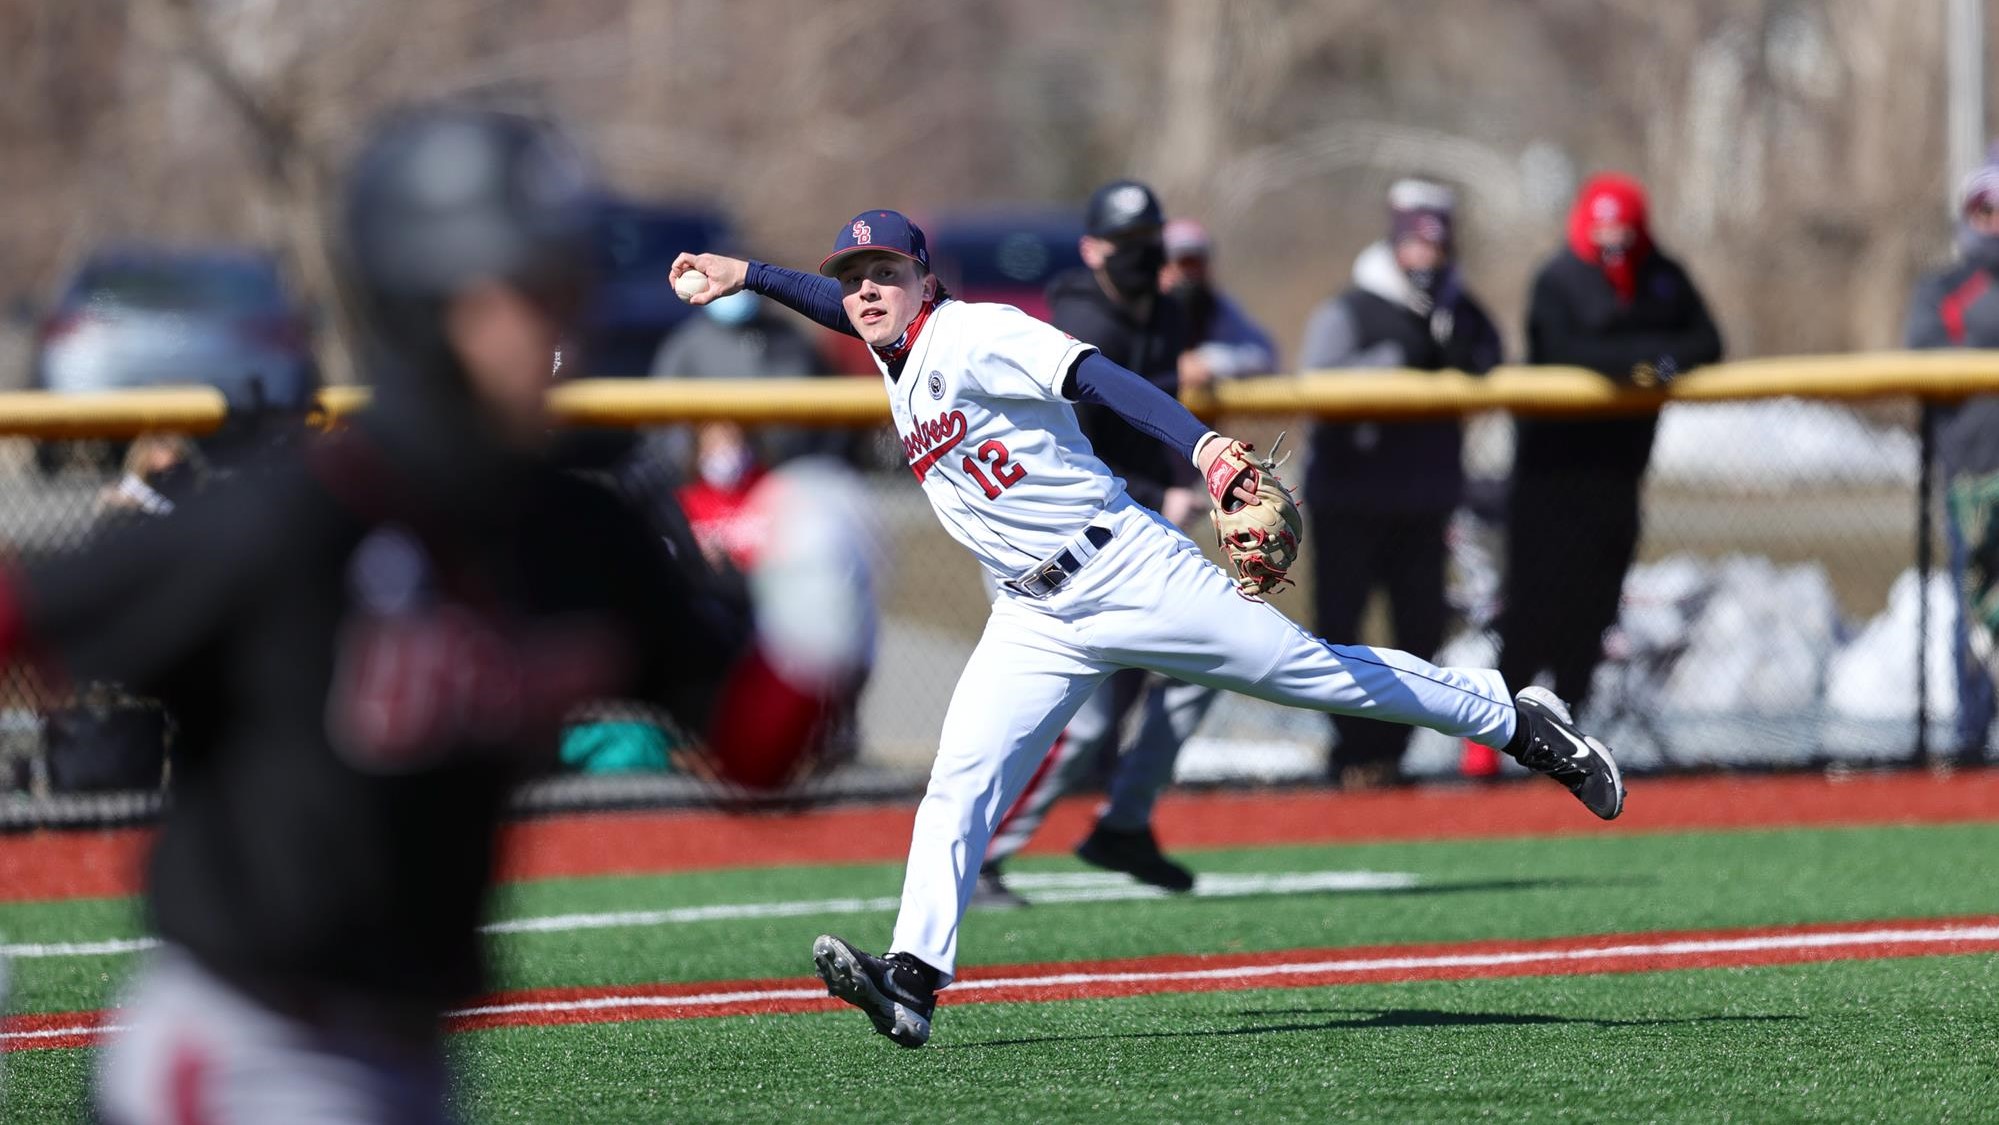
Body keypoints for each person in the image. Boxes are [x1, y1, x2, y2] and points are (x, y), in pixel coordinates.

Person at [0, 105, 867, 1123]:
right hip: (237, 1055)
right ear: (422, 302)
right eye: (521, 295)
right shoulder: (295, 522)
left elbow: (756, 753)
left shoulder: (575, 531)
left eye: (565, 289)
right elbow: (27, 620)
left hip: (410, 1062)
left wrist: (818, 631)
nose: (561, 324)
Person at [671, 206, 1627, 1050]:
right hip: (1034, 614)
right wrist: (744, 275)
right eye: (853, 279)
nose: (865, 291)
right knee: (956, 784)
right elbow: (825, 300)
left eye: (886, 272)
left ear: (928, 279)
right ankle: (913, 981)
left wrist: (1205, 447)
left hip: (1124, 567)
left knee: (1313, 672)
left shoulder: (973, 334)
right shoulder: (894, 350)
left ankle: (1518, 720)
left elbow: (1097, 376)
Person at [973, 180, 1212, 908]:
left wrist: (1188, 479)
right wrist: (1160, 495)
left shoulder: (1166, 312)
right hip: (1044, 534)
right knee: (1085, 725)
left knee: (1208, 663)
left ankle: (1125, 823)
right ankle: (981, 857)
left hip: (1126, 526)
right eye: (1125, 247)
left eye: (1150, 244)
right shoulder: (1077, 315)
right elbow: (1076, 450)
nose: (1141, 259)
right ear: (1091, 249)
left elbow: (1160, 416)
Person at [1496, 172, 1722, 721]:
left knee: (1593, 611)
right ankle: (1491, 733)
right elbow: (1564, 348)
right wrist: (1641, 361)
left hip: (1618, 474)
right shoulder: (1558, 279)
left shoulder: (1663, 277)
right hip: (1549, 474)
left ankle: (1565, 732)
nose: (1614, 246)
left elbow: (1706, 342)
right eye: (1605, 235)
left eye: (1624, 234)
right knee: (1531, 611)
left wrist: (1657, 361)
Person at [1300, 180, 1503, 789]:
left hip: (1423, 503)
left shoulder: (1459, 310)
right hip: (1350, 501)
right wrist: (1386, 368)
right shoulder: (1352, 307)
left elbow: (1492, 361)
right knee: (1341, 632)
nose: (1426, 258)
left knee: (1421, 631)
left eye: (1435, 246)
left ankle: (1390, 753)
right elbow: (1316, 381)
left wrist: (1452, 333)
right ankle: (1350, 751)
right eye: (1415, 245)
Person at [1906, 148, 1999, 764]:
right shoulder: (1944, 288)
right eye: (1983, 209)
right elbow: (1925, 347)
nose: (1992, 221)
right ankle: (1969, 743)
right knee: (1975, 607)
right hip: (1973, 473)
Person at [650, 287, 843, 466]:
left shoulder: (789, 336)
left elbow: (831, 406)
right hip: (705, 477)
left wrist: (822, 456)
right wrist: (680, 462)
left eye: (741, 286)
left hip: (793, 470)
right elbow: (661, 419)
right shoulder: (687, 343)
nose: (736, 294)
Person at [1159, 217, 1279, 392]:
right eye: (1183, 262)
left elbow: (1264, 355)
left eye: (1197, 262)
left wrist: (1208, 362)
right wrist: (1173, 366)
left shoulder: (1215, 306)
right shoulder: (1146, 308)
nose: (1191, 272)